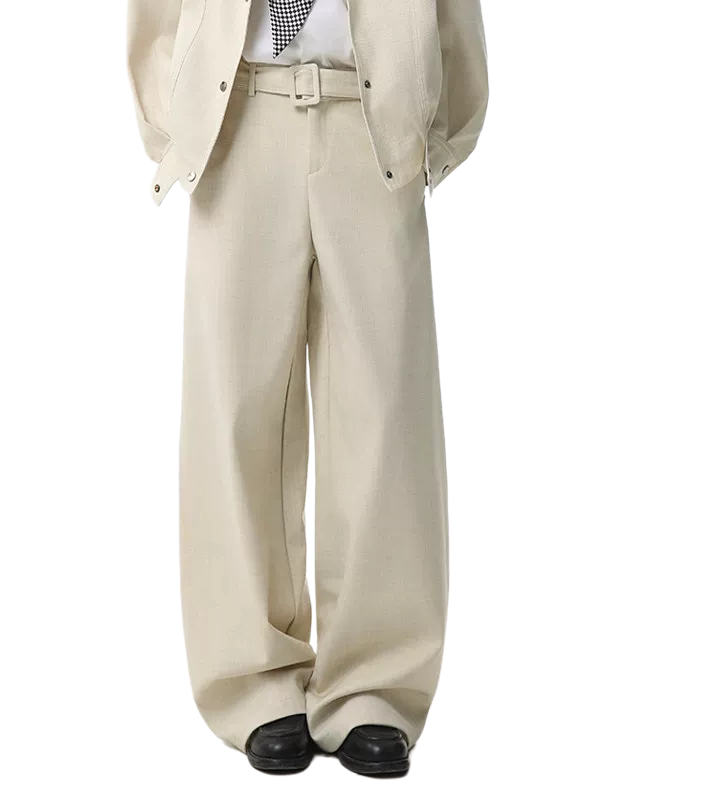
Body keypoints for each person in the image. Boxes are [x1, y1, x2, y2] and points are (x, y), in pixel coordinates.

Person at [127, 0, 488, 776]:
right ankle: (253, 680)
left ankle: (374, 686)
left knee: (386, 411)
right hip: (238, 113)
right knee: (236, 409)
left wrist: (436, 125)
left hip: (373, 117)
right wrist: (175, 119)